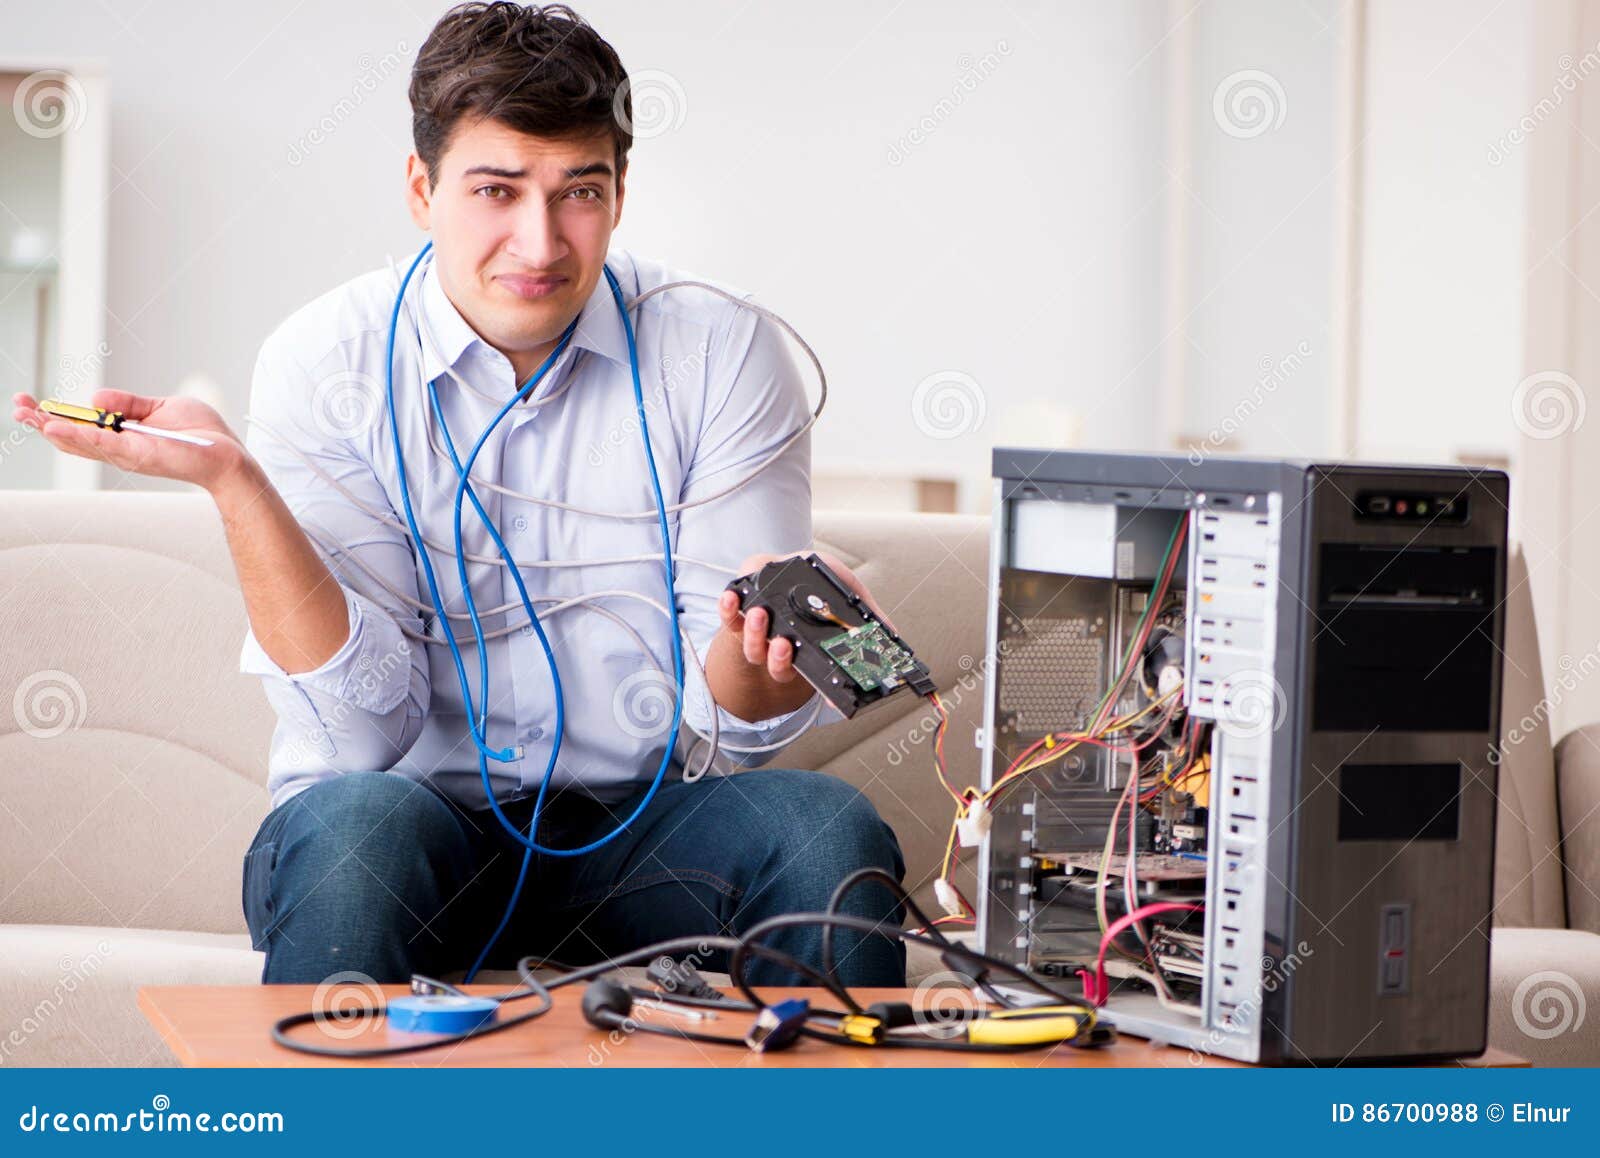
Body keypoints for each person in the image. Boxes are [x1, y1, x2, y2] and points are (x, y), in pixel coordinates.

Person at [12, 1, 905, 988]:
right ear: (420, 188)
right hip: (402, 831)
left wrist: (765, 664)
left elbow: (729, 723)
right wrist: (239, 488)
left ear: (618, 195)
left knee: (822, 831)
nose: (539, 244)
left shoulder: (721, 349)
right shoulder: (326, 360)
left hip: (641, 837)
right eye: (495, 190)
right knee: (359, 832)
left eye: (580, 192)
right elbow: (361, 734)